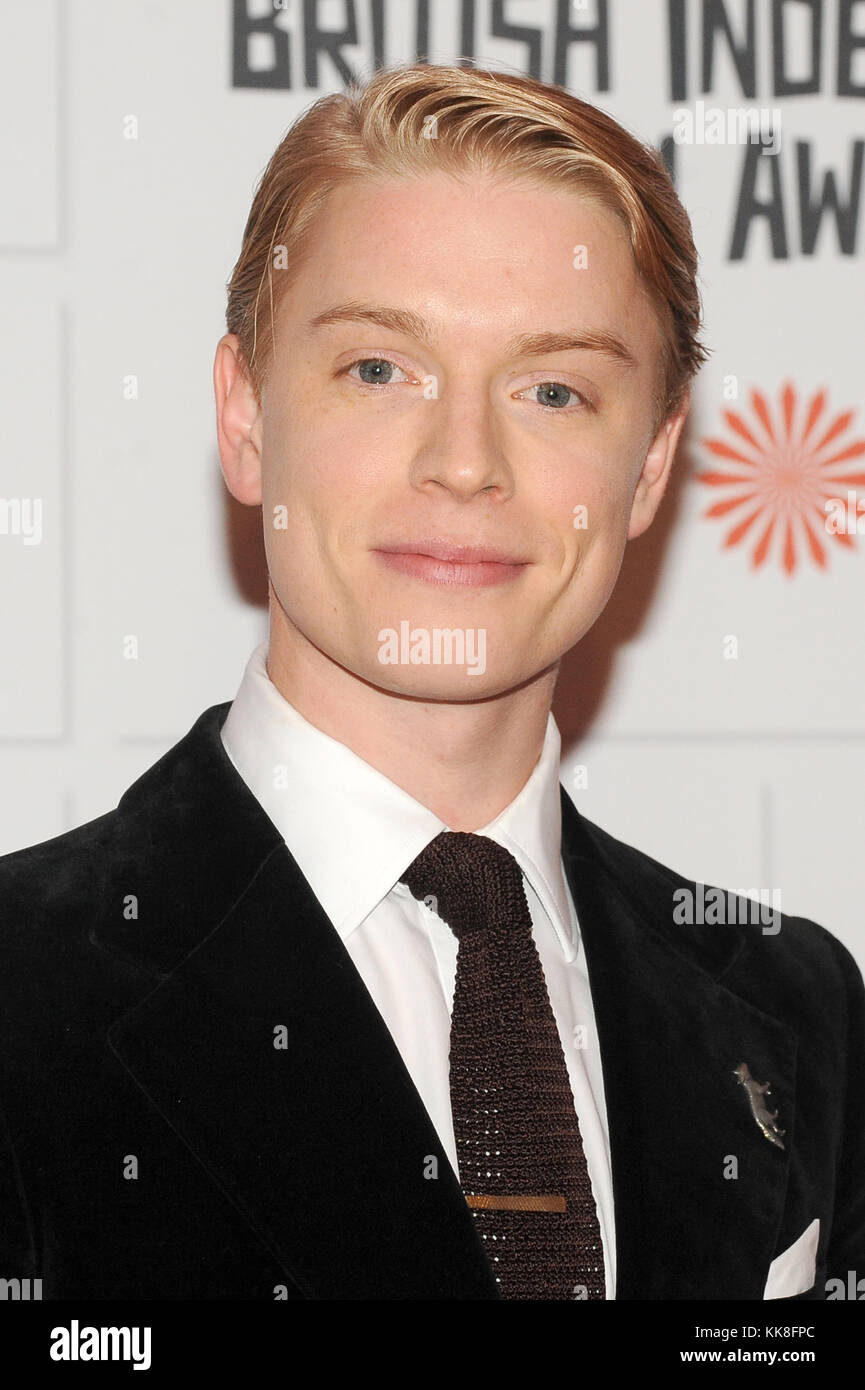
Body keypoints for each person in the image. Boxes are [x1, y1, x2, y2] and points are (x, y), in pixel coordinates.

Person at [0, 62, 862, 1302]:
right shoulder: (23, 990)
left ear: (648, 468)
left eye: (553, 390)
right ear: (244, 418)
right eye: (378, 369)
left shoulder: (797, 1009)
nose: (464, 462)